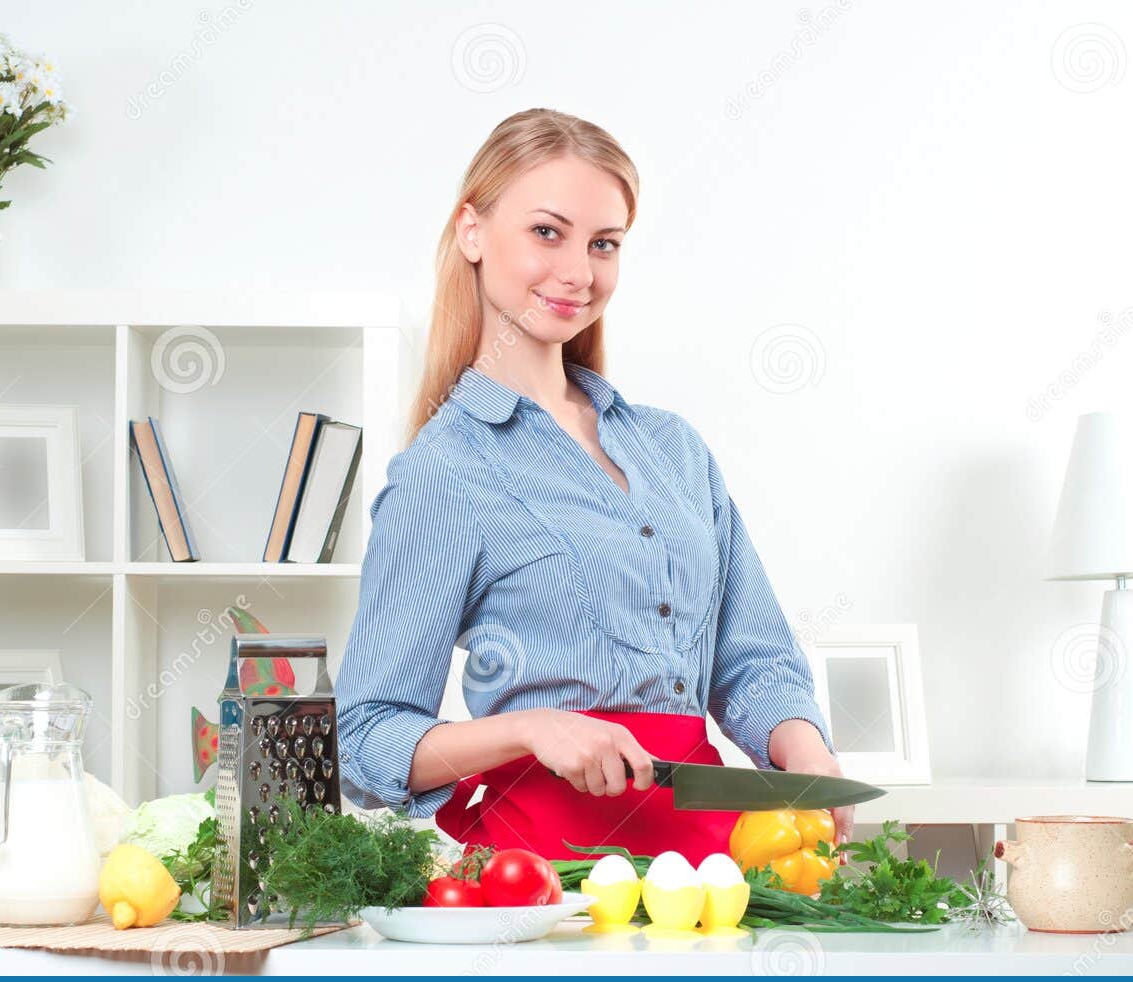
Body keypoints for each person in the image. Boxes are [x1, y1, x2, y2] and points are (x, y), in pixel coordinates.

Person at [336, 108, 849, 863]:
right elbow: (364, 737)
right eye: (548, 232)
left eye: (603, 243)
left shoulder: (675, 450)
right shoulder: (444, 474)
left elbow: (754, 661)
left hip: (718, 865)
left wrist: (808, 759)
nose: (579, 271)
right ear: (472, 232)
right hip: (550, 879)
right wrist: (531, 729)